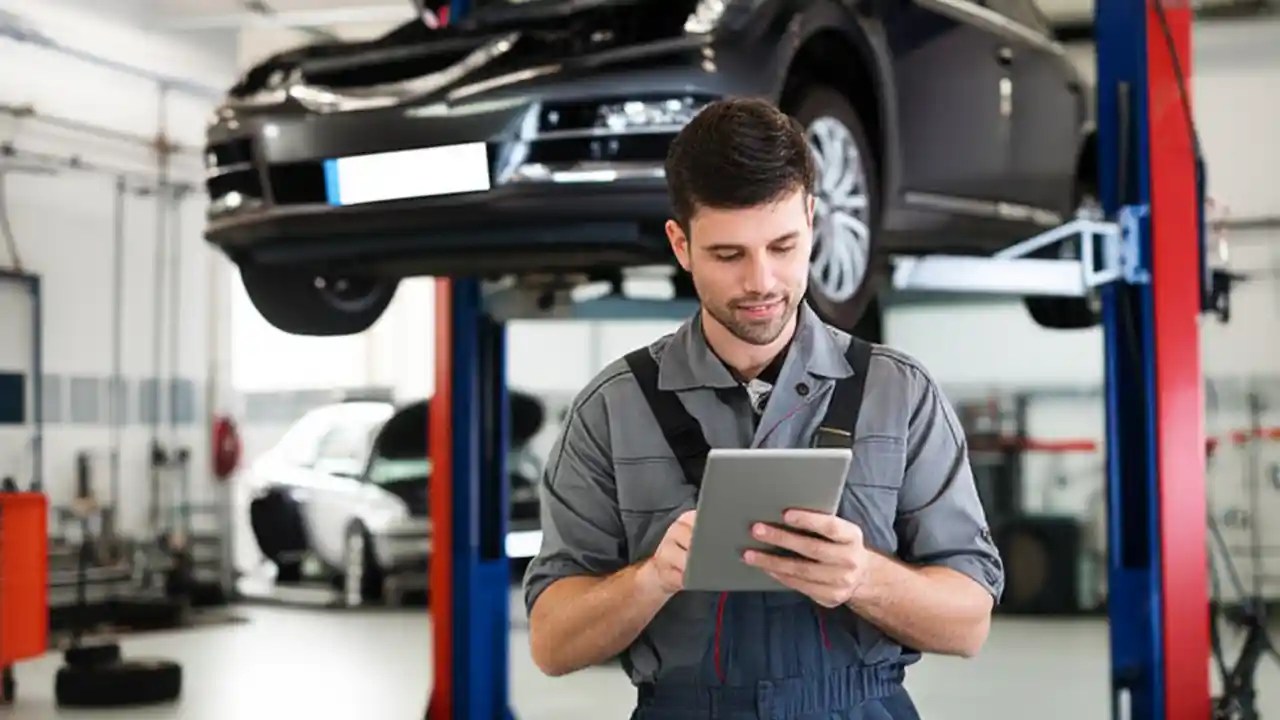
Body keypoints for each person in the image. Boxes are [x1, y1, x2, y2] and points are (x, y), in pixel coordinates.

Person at [522, 97, 1004, 719]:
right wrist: (652, 579)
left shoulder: (897, 394)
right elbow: (551, 642)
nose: (762, 282)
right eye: (729, 255)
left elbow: (969, 623)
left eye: (783, 246)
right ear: (681, 243)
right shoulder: (613, 409)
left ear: (811, 218)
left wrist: (861, 577)